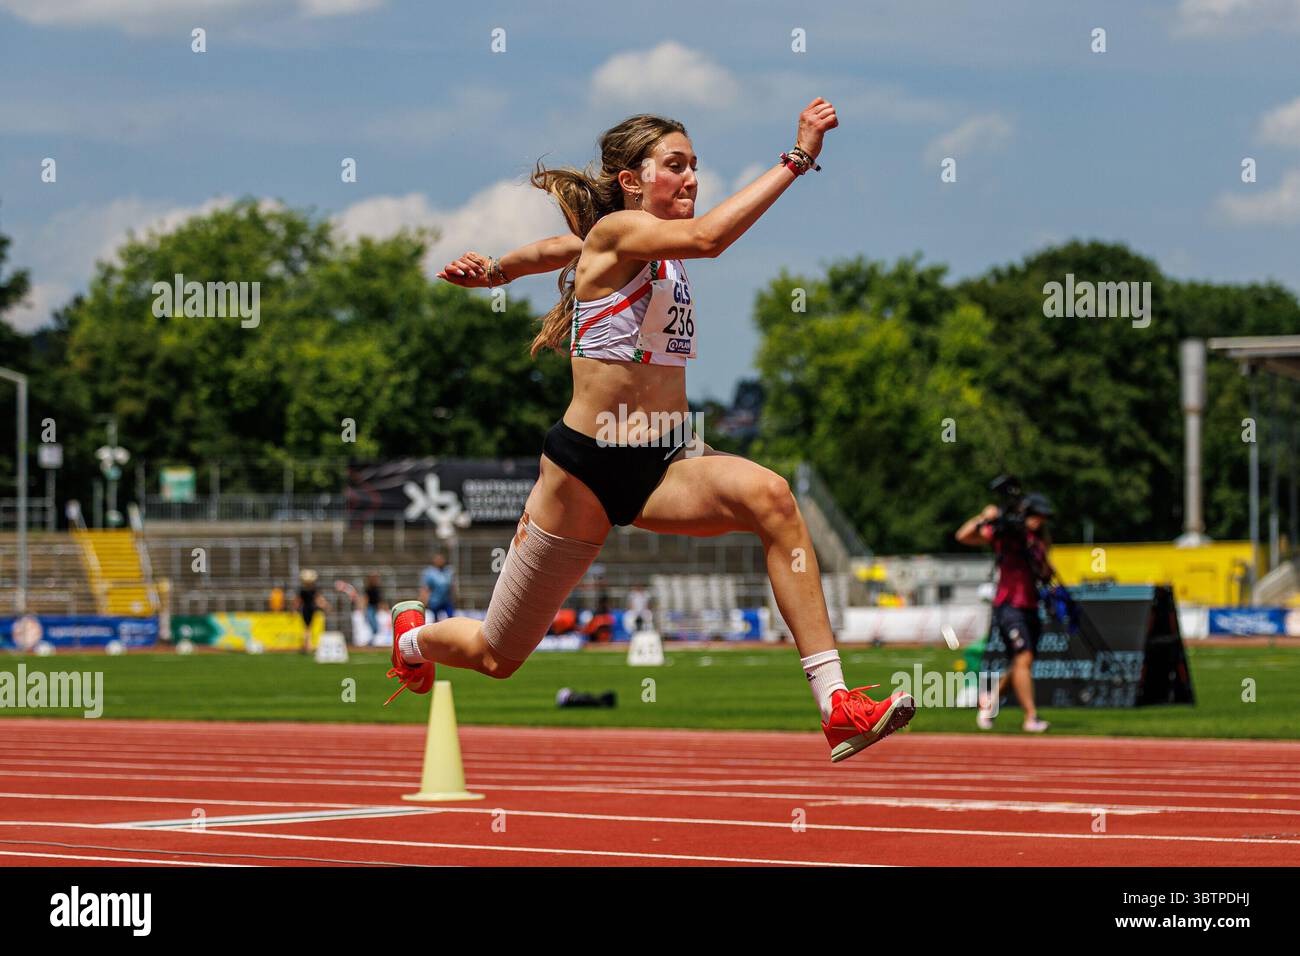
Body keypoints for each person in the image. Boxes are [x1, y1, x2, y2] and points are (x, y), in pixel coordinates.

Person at [385, 100, 915, 763]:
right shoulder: (619, 235)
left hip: (663, 463)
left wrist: (496, 269)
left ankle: (835, 705)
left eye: (695, 165)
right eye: (674, 165)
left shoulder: (629, 246)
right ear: (630, 179)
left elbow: (556, 249)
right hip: (584, 471)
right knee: (497, 655)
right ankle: (411, 638)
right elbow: (707, 240)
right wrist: (798, 157)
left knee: (773, 498)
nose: (691, 178)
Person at [955, 491, 1056, 733]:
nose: (1039, 521)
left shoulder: (1038, 540)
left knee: (1022, 663)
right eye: (1036, 516)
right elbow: (963, 536)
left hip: (1031, 605)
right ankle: (1031, 717)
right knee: (1024, 658)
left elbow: (1045, 570)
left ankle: (990, 702)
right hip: (1009, 605)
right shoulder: (1006, 534)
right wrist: (984, 517)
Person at [293, 569, 328, 654]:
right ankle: (307, 646)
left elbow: (298, 601)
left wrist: (294, 608)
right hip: (308, 609)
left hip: (308, 609)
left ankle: (307, 646)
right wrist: (325, 605)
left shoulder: (307, 590)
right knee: (307, 629)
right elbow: (299, 601)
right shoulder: (307, 590)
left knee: (307, 629)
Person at [420, 553, 456, 622]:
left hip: (446, 600)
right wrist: (424, 600)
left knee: (451, 617)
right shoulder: (430, 573)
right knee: (435, 619)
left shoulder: (448, 571)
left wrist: (454, 597)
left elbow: (451, 586)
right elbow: (426, 588)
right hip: (434, 601)